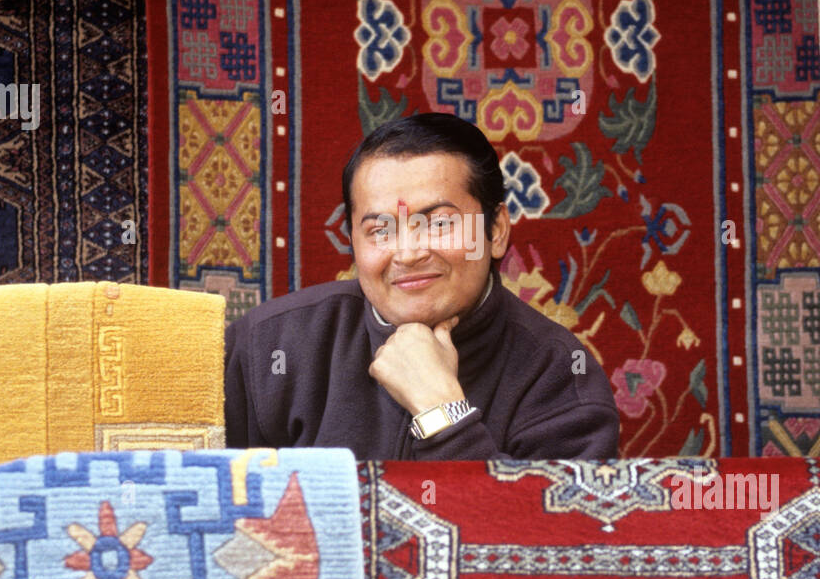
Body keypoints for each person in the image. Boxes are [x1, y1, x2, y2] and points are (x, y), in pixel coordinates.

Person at [223, 113, 620, 459]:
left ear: (495, 230)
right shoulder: (269, 346)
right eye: (380, 230)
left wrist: (442, 412)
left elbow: (546, 541)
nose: (408, 253)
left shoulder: (559, 375)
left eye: (440, 223)